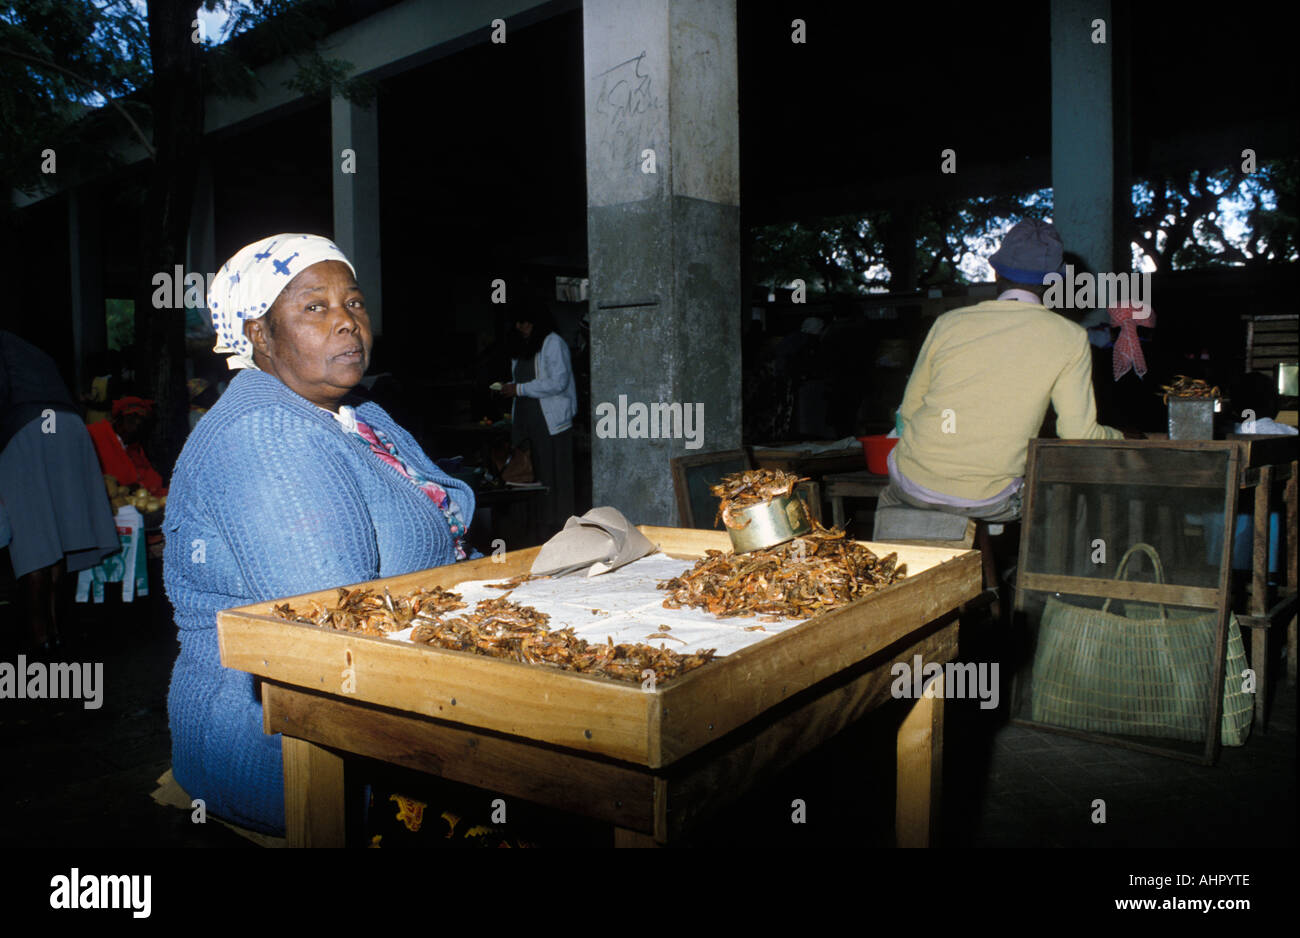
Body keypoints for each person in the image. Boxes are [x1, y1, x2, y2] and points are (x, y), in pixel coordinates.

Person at [164, 234, 475, 835]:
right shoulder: (266, 437)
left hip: (365, 699)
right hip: (280, 743)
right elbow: (334, 623)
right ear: (259, 334)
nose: (346, 323)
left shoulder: (356, 413)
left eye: (354, 303)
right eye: (314, 307)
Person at [877, 219, 1127, 531]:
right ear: (1054, 284)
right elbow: (1077, 434)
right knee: (1072, 504)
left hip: (911, 481)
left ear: (996, 274)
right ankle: (1032, 578)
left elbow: (910, 409)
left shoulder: (949, 322)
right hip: (987, 498)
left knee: (896, 490)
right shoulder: (1070, 337)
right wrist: (1121, 438)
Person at [0, 330, 120, 650]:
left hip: (29, 430)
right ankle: (55, 631)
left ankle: (40, 639)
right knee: (55, 535)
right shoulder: (25, 346)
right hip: (68, 427)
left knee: (33, 541)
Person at [498, 304, 577, 531]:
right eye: (518, 323)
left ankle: (558, 527)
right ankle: (531, 525)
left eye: (526, 322)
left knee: (553, 475)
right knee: (525, 472)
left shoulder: (553, 343)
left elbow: (558, 383)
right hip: (525, 419)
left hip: (550, 422)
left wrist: (519, 389)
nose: (521, 327)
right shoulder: (521, 346)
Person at [87, 396, 168, 496]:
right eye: (132, 417)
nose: (138, 423)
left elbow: (152, 481)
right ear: (117, 419)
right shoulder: (94, 436)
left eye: (142, 420)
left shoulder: (133, 447)